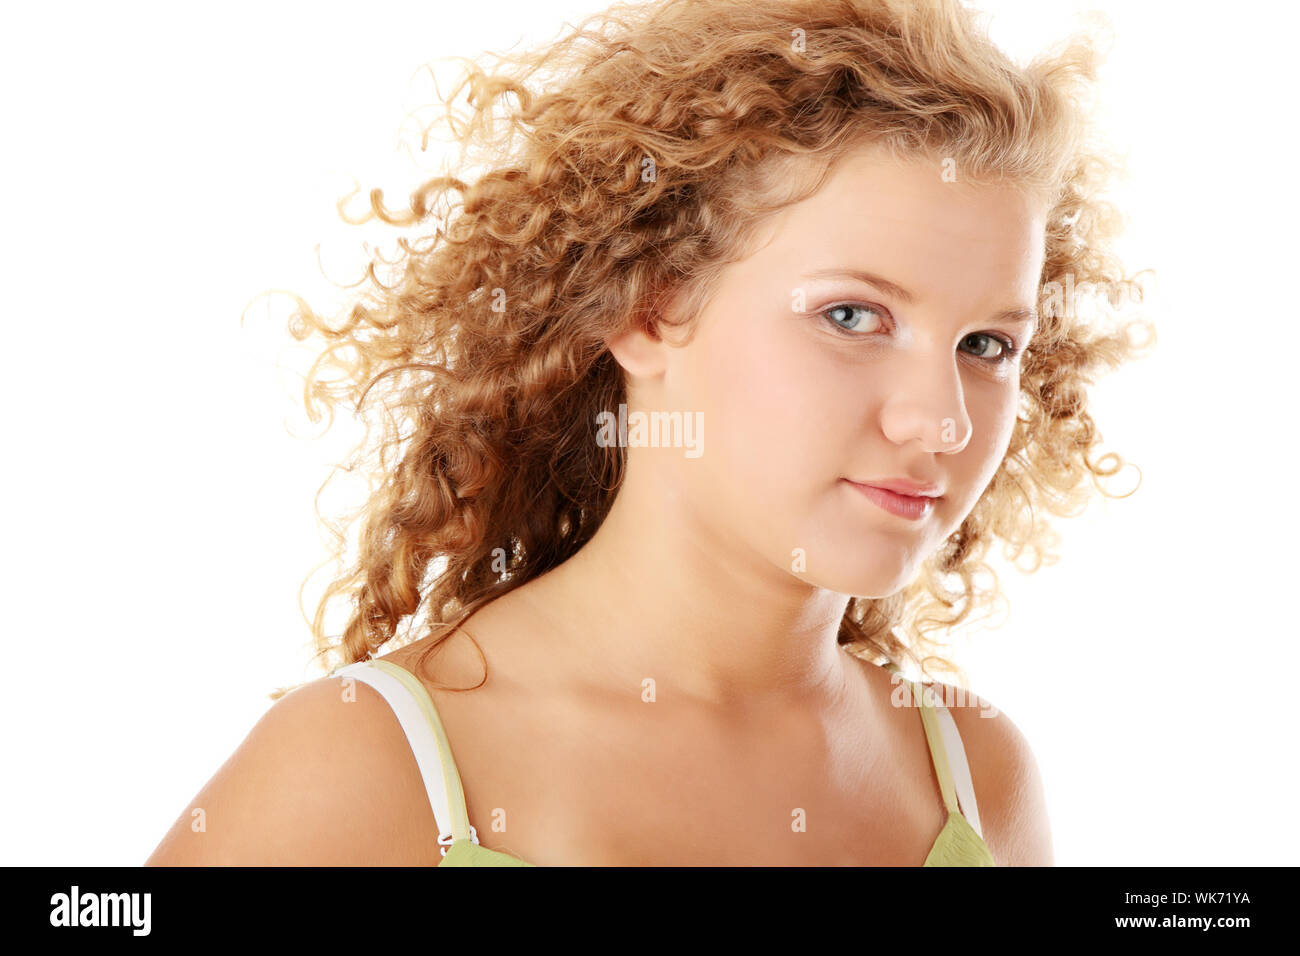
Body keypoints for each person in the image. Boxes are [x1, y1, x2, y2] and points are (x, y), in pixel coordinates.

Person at [146, 0, 1153, 867]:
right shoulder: (369, 770)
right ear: (648, 307)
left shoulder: (973, 783)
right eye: (851, 316)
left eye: (986, 342)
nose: (938, 417)